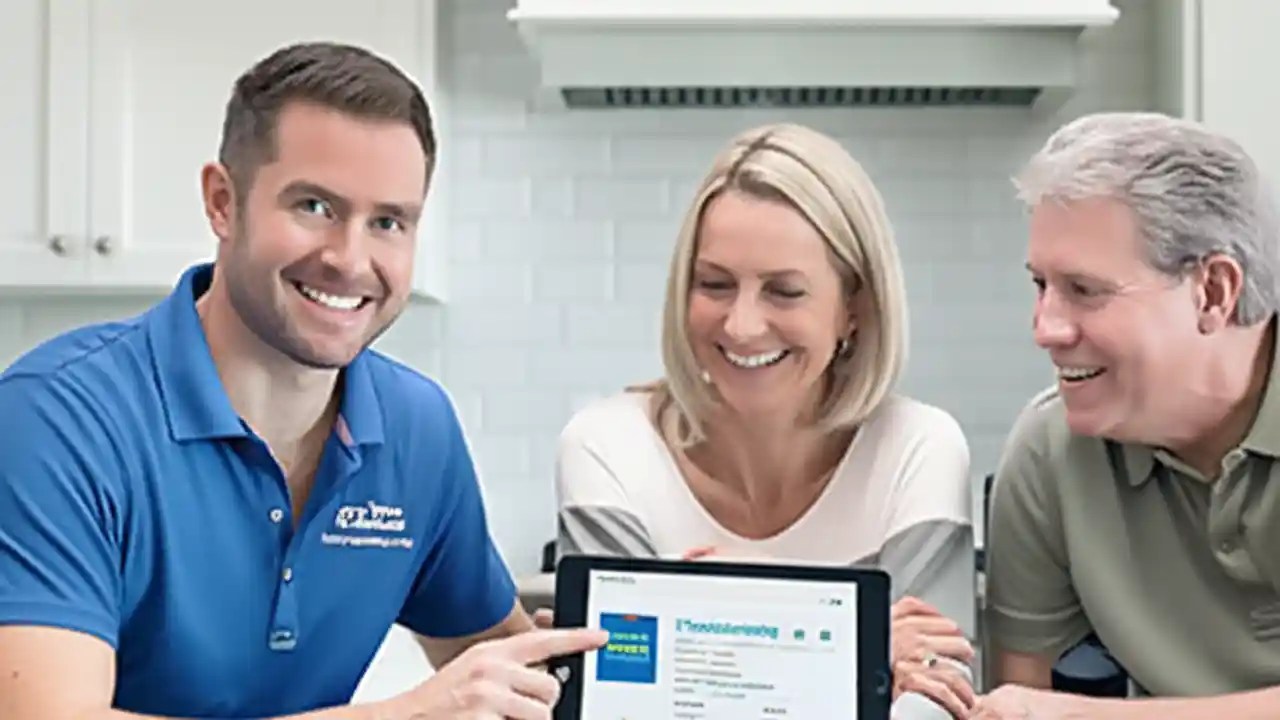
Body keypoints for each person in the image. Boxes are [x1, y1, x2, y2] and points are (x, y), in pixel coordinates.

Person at [0, 42, 604, 720]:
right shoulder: (55, 419)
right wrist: (401, 716)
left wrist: (673, 612)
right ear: (223, 203)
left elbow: (506, 671)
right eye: (315, 206)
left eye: (387, 222)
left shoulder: (415, 428)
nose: (350, 259)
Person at [553, 123, 978, 717]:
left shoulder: (917, 449)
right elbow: (618, 706)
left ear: (854, 308)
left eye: (784, 291)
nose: (741, 325)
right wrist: (855, 643)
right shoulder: (608, 448)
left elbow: (939, 707)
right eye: (715, 285)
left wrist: (711, 623)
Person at [977, 112, 1280, 718]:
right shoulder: (1050, 452)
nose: (1045, 328)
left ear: (1213, 292)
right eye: (1041, 285)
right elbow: (1020, 703)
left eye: (1085, 290)